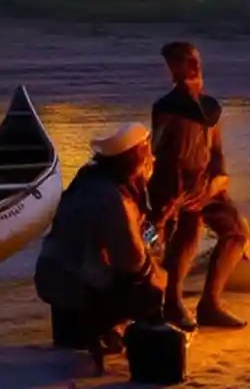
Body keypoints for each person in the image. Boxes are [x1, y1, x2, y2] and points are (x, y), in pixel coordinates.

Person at [34, 122, 167, 372]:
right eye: (148, 153)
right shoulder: (114, 197)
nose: (153, 159)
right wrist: (156, 260)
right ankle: (126, 334)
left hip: (51, 279)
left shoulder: (86, 180)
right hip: (80, 286)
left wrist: (154, 229)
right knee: (150, 282)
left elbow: (140, 231)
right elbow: (132, 259)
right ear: (137, 159)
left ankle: (85, 331)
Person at [148, 41, 250, 331]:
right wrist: (169, 201)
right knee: (187, 234)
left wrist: (219, 180)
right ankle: (171, 303)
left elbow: (216, 153)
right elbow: (158, 153)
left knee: (237, 233)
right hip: (174, 188)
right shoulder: (166, 109)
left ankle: (210, 304)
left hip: (205, 187)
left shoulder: (210, 109)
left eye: (192, 60)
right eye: (181, 62)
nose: (192, 66)